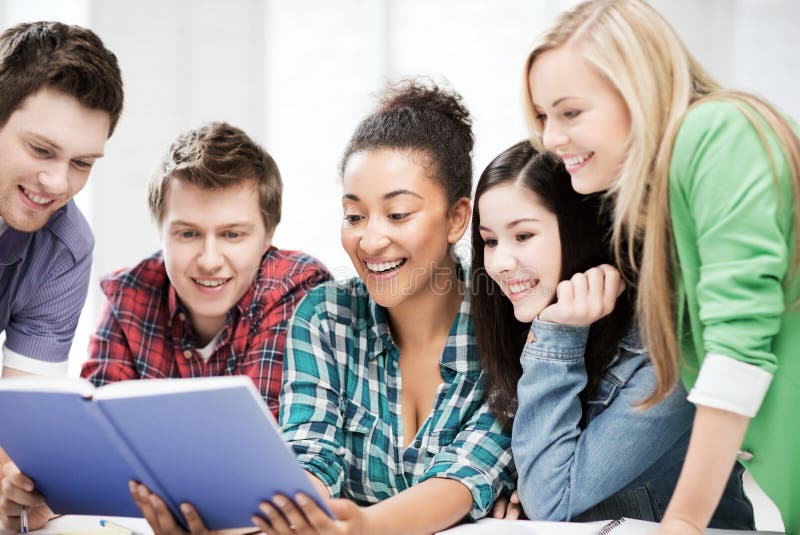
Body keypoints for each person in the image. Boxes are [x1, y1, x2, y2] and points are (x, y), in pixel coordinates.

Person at [522, 0, 800, 533]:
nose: (551, 139)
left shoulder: (716, 132)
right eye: (543, 117)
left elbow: (738, 349)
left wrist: (685, 522)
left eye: (570, 112)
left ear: (638, 89)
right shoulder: (661, 212)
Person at [4, 122, 331, 534]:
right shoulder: (130, 293)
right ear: (161, 231)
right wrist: (46, 492)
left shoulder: (296, 289)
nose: (209, 259)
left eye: (232, 234)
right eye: (188, 233)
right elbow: (96, 450)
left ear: (269, 236)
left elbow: (258, 464)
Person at [243, 80, 515, 535]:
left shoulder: (507, 324)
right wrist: (290, 515)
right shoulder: (325, 317)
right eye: (354, 216)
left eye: (398, 214)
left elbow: (470, 472)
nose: (369, 240)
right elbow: (311, 449)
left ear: (456, 218)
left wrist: (362, 526)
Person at [471, 140, 753, 526]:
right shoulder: (520, 328)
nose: (500, 263)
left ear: (581, 230)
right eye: (490, 241)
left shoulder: (665, 352)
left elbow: (551, 503)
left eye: (523, 236)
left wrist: (558, 337)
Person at [0, 20, 123, 532]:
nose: (56, 183)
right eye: (41, 150)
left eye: (82, 163)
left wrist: (20, 483)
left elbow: (18, 420)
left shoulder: (64, 248)